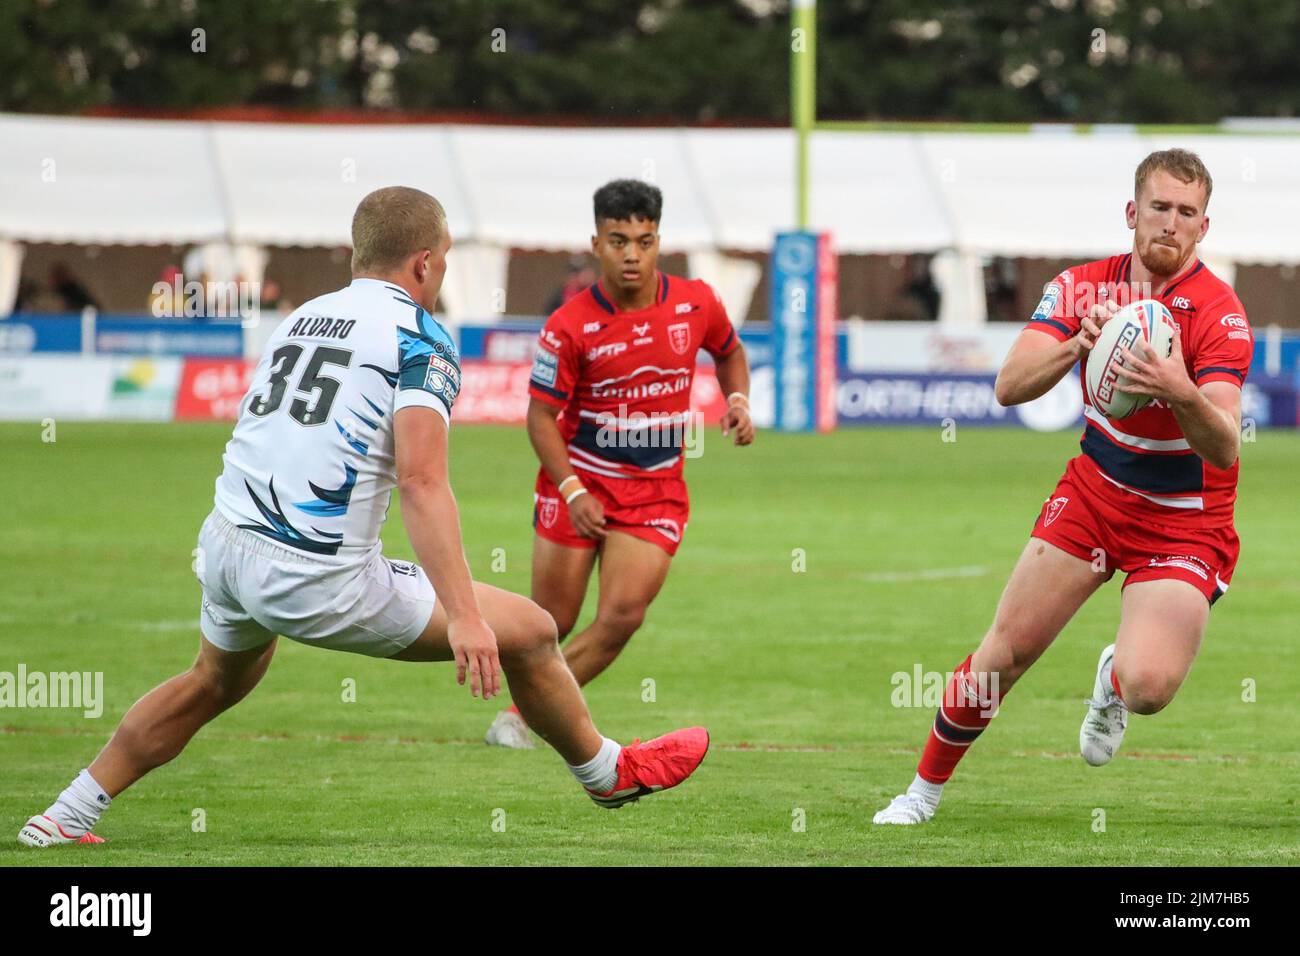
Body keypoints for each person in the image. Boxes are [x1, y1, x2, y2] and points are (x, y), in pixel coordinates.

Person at [18, 186, 709, 848]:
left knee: (212, 681)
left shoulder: (302, 315)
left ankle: (62, 814)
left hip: (227, 545)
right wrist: (467, 615)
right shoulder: (422, 337)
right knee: (529, 631)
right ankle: (608, 774)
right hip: (317, 573)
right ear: (426, 262)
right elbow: (422, 481)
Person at [874, 149, 1252, 824]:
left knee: (1149, 687)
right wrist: (1078, 345)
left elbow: (1224, 443)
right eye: (1159, 207)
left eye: (1186, 213)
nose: (1171, 223)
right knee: (1006, 650)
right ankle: (920, 794)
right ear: (1133, 213)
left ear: (1203, 228)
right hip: (1096, 491)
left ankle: (1111, 678)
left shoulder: (1220, 314)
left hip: (1184, 518)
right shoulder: (1082, 287)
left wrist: (1178, 388)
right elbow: (1008, 385)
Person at [485, 179, 754, 749]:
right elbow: (539, 418)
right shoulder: (569, 324)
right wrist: (574, 490)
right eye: (618, 241)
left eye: (644, 240)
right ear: (596, 243)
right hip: (576, 482)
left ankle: (520, 716)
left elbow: (729, 351)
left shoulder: (696, 302)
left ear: (659, 241)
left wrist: (737, 400)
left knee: (623, 615)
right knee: (549, 625)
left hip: (654, 491)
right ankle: (495, 660)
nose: (632, 254)